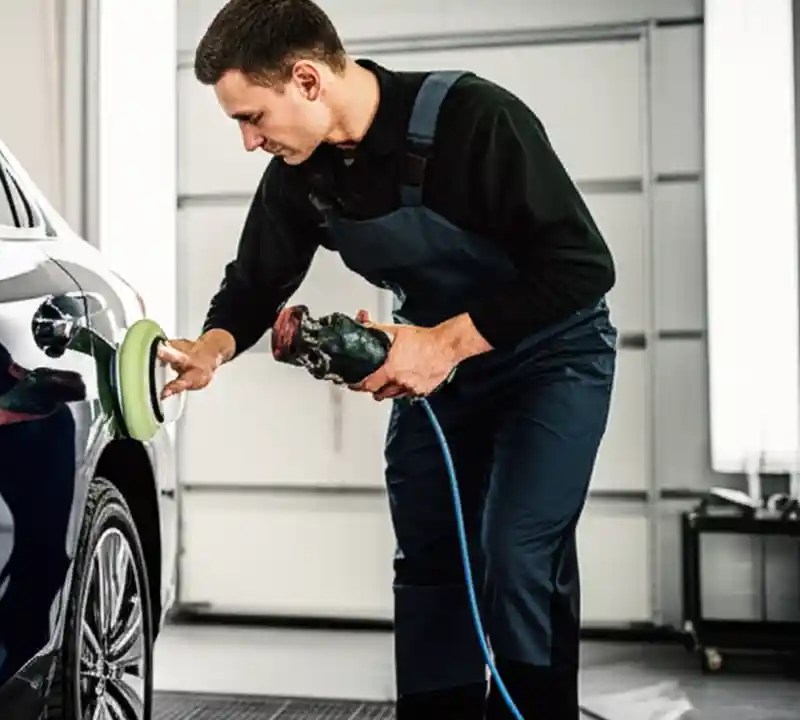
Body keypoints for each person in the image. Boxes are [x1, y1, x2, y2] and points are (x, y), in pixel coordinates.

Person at [157, 1, 618, 718]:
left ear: (307, 80)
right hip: (434, 375)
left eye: (252, 117)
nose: (249, 141)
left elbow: (582, 266)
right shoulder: (301, 172)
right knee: (430, 555)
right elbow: (255, 283)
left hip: (551, 358)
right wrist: (210, 350)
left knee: (516, 550)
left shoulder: (476, 121)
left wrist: (444, 343)